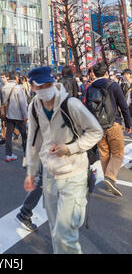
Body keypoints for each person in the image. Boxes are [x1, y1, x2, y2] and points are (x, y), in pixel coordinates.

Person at [25, 66, 103, 254]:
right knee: (55, 231)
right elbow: (33, 140)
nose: (47, 88)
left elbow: (96, 131)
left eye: (49, 83)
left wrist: (70, 148)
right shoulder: (34, 107)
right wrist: (31, 172)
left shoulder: (71, 104)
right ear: (33, 87)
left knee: (65, 233)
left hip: (74, 173)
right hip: (50, 175)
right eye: (41, 85)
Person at [86, 62, 132, 196]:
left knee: (104, 154)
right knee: (118, 153)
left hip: (97, 126)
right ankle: (110, 177)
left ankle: (109, 180)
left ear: (94, 73)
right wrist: (128, 124)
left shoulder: (90, 88)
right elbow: (123, 106)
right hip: (114, 124)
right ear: (106, 73)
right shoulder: (114, 86)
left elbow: (88, 109)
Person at [1, 71, 27, 162]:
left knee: (8, 134)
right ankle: (26, 154)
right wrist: (25, 115)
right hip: (19, 114)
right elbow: (22, 103)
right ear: (16, 78)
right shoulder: (19, 88)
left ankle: (8, 154)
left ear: (9, 78)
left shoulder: (4, 87)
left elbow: (4, 102)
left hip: (9, 114)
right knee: (24, 134)